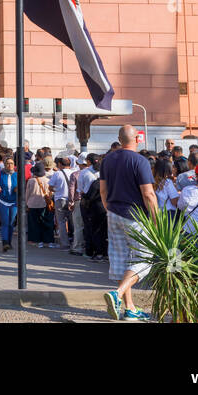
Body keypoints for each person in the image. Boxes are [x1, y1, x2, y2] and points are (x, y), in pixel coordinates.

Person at [99, 124, 158, 321]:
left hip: (113, 212)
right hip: (135, 215)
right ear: (138, 139)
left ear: (118, 138)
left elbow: (103, 191)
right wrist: (156, 221)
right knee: (145, 258)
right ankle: (118, 293)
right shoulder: (139, 161)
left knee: (120, 260)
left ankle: (130, 308)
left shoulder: (107, 160)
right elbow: (148, 193)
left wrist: (109, 208)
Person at [70, 153, 99, 255]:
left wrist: (71, 201)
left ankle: (80, 248)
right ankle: (98, 251)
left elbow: (77, 189)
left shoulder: (80, 173)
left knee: (81, 226)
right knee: (97, 227)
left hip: (84, 201)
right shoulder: (101, 171)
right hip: (100, 202)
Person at [25, 163, 55, 249]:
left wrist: (26, 204)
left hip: (32, 204)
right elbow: (51, 193)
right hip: (44, 204)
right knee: (47, 222)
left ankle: (38, 241)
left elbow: (27, 194)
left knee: (34, 223)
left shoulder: (31, 180)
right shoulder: (48, 180)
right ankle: (49, 241)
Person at [0, 156, 20, 254]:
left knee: (11, 223)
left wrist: (18, 189)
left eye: (11, 163)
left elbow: (23, 187)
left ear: (14, 165)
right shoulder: (0, 174)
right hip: (3, 201)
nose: (10, 165)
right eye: (7, 163)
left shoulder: (17, 175)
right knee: (5, 222)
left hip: (14, 202)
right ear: (4, 164)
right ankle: (4, 242)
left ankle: (9, 242)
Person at [47, 156, 71, 249]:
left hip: (60, 199)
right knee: (72, 223)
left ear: (60, 164)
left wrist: (56, 189)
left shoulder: (57, 174)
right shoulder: (74, 172)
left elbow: (50, 187)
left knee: (61, 222)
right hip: (71, 199)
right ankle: (74, 241)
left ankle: (65, 243)